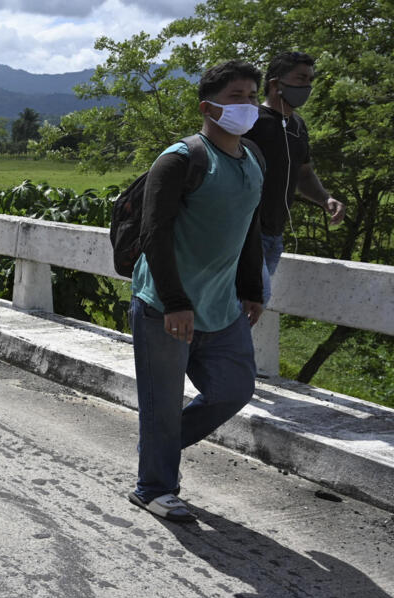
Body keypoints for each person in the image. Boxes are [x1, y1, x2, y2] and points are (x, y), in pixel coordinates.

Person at [127, 61, 266, 522]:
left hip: (222, 305)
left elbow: (249, 229)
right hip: (165, 306)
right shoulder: (180, 159)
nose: (247, 104)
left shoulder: (253, 160)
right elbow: (153, 234)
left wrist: (251, 288)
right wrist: (175, 302)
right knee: (162, 402)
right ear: (208, 107)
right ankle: (154, 487)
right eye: (236, 96)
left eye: (252, 95)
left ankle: (159, 442)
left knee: (234, 389)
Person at [243, 51, 345, 304]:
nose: (307, 86)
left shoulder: (298, 125)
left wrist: (325, 198)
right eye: (301, 79)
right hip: (246, 236)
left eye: (310, 79)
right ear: (276, 84)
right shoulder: (251, 121)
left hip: (274, 236)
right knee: (251, 301)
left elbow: (304, 174)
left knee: (253, 307)